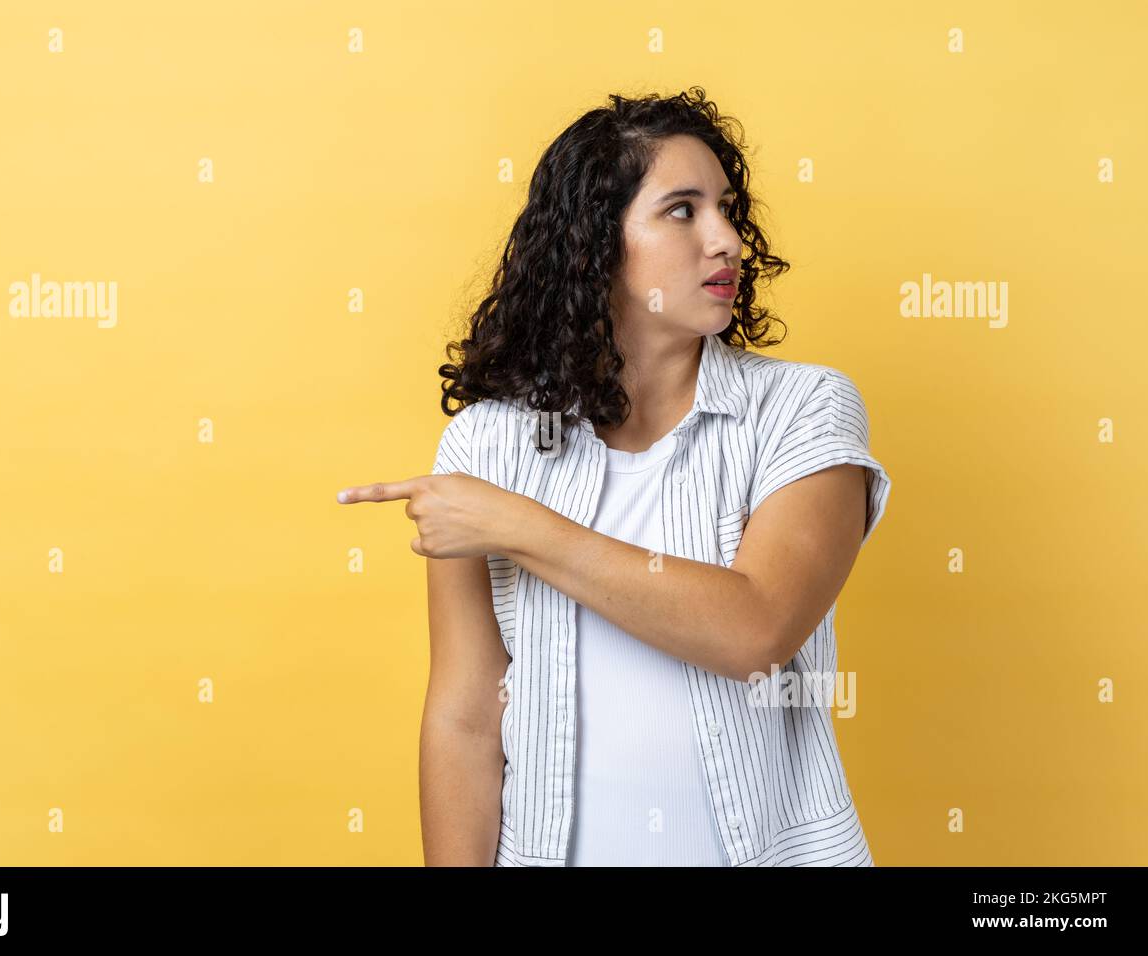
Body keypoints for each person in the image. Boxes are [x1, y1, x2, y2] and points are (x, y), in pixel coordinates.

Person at [337, 87, 891, 867]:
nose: (726, 238)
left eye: (727, 209)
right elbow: (465, 718)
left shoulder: (802, 409)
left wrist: (519, 528)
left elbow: (756, 631)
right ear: (597, 243)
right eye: (683, 210)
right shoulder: (485, 447)